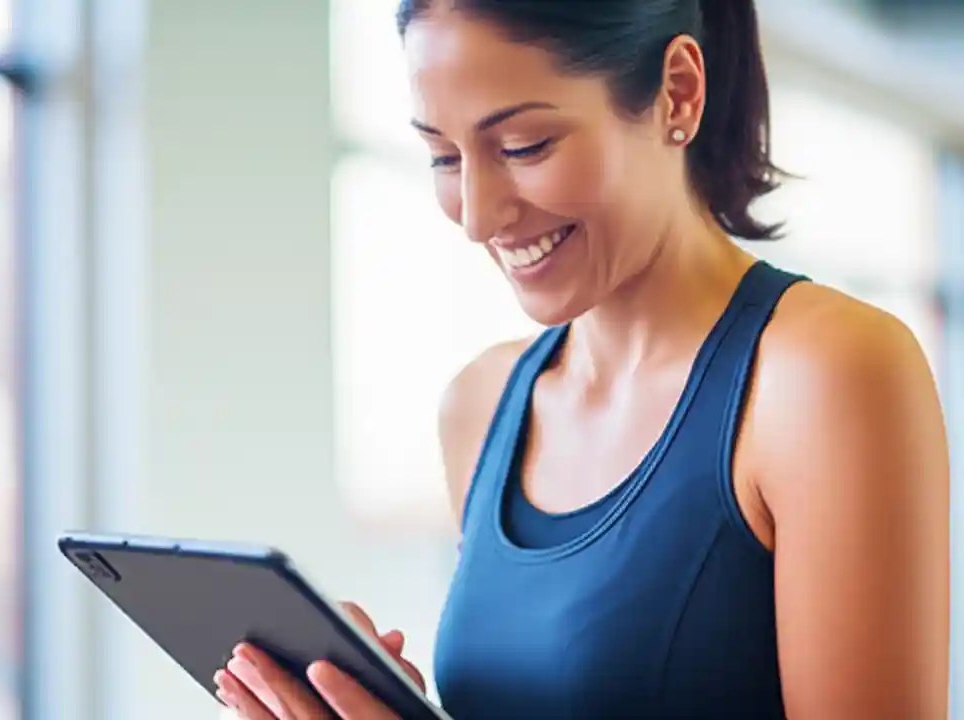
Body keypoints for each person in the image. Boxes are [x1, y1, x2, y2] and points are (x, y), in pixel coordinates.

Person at [215, 0, 950, 717]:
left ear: (678, 92)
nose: (477, 216)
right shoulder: (480, 404)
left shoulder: (827, 373)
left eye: (524, 147)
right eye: (443, 156)